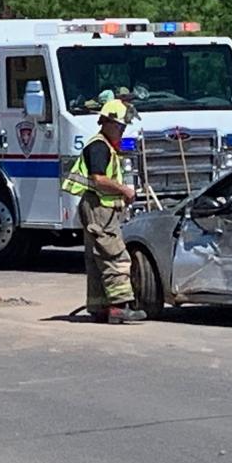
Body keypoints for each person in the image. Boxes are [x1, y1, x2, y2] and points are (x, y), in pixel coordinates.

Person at [62, 100, 147, 324]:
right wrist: (124, 190)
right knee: (115, 256)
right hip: (99, 209)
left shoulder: (104, 146)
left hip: (98, 208)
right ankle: (119, 307)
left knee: (96, 259)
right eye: (120, 126)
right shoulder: (99, 147)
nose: (123, 130)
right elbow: (98, 179)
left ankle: (99, 306)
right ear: (108, 122)